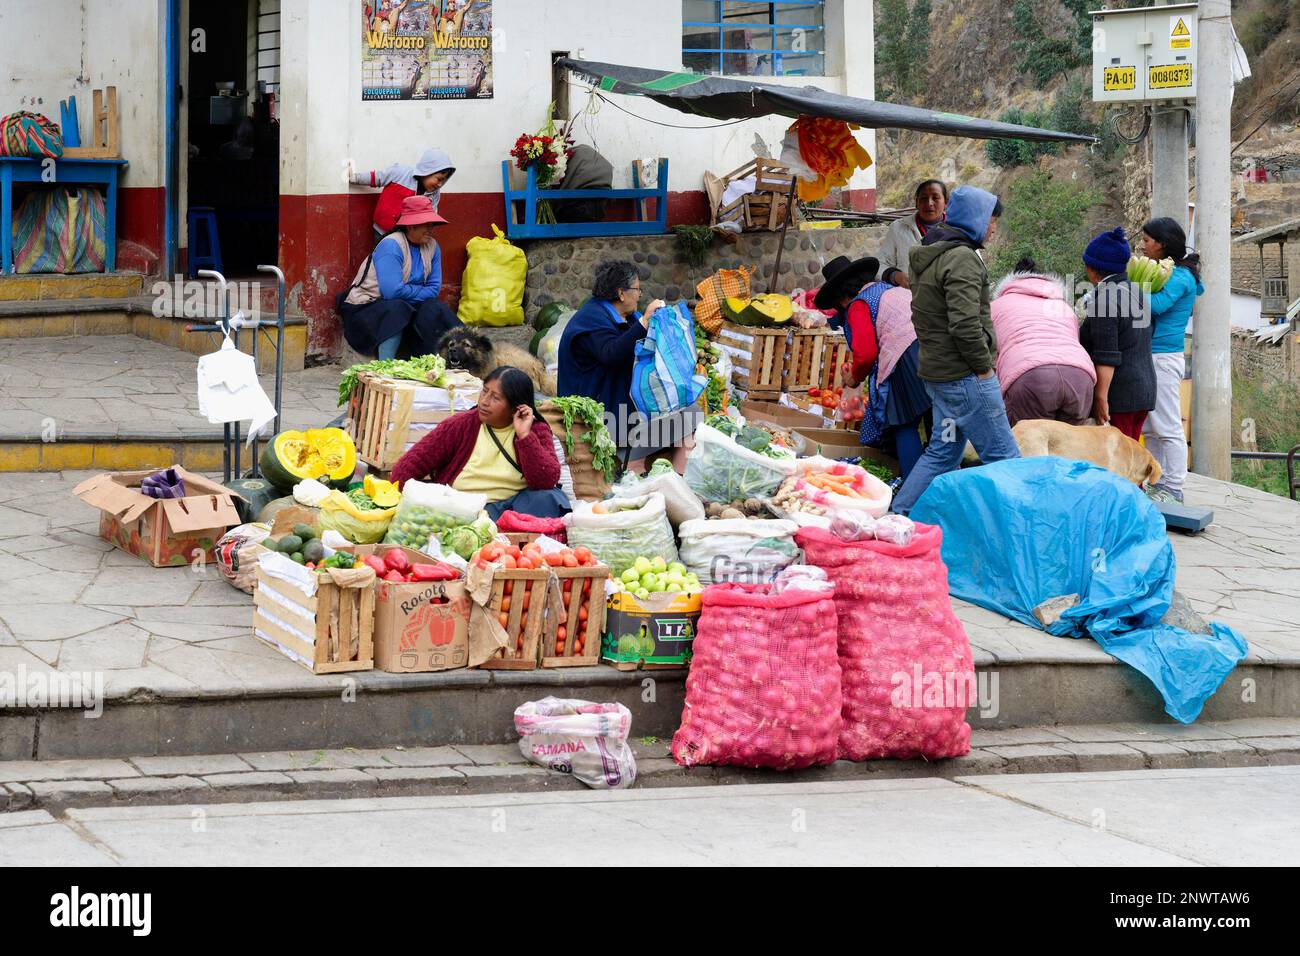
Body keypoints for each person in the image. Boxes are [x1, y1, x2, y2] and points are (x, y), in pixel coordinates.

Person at [890, 185, 1020, 514]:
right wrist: (983, 367)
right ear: (976, 220)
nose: (993, 228)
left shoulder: (930, 252)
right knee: (1006, 459)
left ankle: (899, 516)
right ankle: (1023, 533)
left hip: (940, 376)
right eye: (991, 220)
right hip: (967, 379)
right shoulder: (961, 258)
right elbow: (964, 324)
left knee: (942, 454)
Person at [557, 260, 697, 475]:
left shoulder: (627, 316)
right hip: (598, 417)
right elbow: (611, 354)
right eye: (637, 289)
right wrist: (644, 323)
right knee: (662, 431)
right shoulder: (590, 320)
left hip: (625, 409)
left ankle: (680, 482)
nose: (639, 295)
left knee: (689, 415)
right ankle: (633, 469)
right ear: (621, 293)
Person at [390, 367, 570, 520]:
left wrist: (524, 436)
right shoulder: (461, 425)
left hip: (513, 510)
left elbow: (546, 481)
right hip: (463, 509)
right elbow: (409, 466)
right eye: (485, 391)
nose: (484, 401)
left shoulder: (535, 430)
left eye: (495, 398)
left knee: (549, 499)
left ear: (516, 406)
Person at [815, 256, 931, 479]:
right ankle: (940, 486)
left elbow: (866, 354)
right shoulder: (891, 290)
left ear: (840, 299)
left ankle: (913, 489)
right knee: (939, 424)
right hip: (938, 351)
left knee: (903, 423)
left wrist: (854, 378)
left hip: (907, 356)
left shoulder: (859, 305)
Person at [338, 194, 462, 360]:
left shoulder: (432, 247)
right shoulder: (392, 245)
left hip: (406, 304)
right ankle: (386, 368)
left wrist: (407, 290)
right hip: (367, 309)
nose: (430, 228)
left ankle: (437, 361)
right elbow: (391, 293)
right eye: (425, 224)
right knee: (398, 309)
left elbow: (433, 290)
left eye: (431, 223)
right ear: (410, 226)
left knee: (435, 308)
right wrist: (417, 290)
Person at [990, 257, 1097, 427]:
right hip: (1079, 376)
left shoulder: (996, 306)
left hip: (1030, 378)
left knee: (1030, 449)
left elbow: (989, 352)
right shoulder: (1063, 306)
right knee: (1071, 448)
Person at [1139, 217, 1203, 502]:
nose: (1142, 246)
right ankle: (1158, 481)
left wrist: (1130, 287)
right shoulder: (1170, 273)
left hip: (1164, 357)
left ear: (1162, 244)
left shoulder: (1180, 277)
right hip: (1152, 355)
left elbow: (1158, 305)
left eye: (1147, 241)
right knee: (1151, 427)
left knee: (1167, 425)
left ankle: (1174, 486)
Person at [1078, 227, 1154, 442]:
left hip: (1119, 397)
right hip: (1143, 391)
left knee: (1117, 466)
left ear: (1093, 269)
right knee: (1130, 464)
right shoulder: (1137, 292)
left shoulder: (1104, 300)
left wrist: (1101, 398)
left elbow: (1106, 356)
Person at [350, 147, 456, 237]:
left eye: (444, 181)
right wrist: (354, 178)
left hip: (407, 237)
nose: (440, 184)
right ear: (427, 171)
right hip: (382, 231)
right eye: (439, 179)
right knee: (384, 258)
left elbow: (430, 215)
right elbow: (377, 178)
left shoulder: (434, 194)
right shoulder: (399, 173)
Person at [877, 179, 949, 289]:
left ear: (946, 203)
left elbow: (972, 268)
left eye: (935, 197)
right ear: (916, 202)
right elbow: (880, 264)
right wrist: (896, 276)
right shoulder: (898, 228)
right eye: (924, 198)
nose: (929, 203)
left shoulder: (957, 230)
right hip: (907, 299)